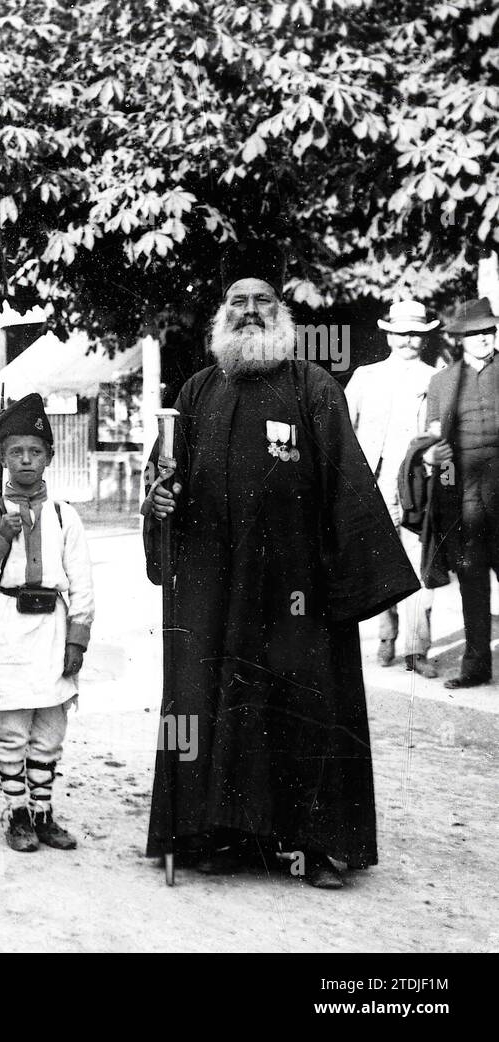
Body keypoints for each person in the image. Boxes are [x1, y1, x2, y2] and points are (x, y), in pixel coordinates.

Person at [142, 241, 419, 889]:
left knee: (307, 710)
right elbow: (166, 489)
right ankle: (215, 831)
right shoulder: (194, 392)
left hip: (301, 598)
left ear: (281, 312)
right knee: (210, 707)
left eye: (262, 300)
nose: (249, 311)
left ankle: (318, 846)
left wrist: (349, 587)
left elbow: (351, 489)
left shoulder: (314, 388)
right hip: (216, 594)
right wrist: (160, 506)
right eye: (237, 301)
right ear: (221, 313)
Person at [0, 393, 95, 854]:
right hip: (8, 627)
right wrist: (1, 536)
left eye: (35, 451)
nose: (26, 460)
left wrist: (78, 638)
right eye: (16, 452)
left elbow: (82, 582)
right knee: (12, 726)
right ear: (3, 457)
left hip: (52, 629)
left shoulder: (63, 515)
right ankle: (16, 813)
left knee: (49, 728)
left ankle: (43, 811)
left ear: (50, 457)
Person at [345, 300, 440, 678]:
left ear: (425, 337)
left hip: (418, 486)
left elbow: (441, 434)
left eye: (415, 334)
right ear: (388, 334)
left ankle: (418, 649)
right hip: (374, 484)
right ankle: (386, 636)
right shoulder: (366, 376)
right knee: (380, 561)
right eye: (401, 333)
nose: (407, 340)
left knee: (420, 564)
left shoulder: (437, 378)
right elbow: (343, 432)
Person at [421, 298, 499, 689]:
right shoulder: (442, 382)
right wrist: (432, 455)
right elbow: (430, 438)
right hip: (465, 495)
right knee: (472, 581)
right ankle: (476, 666)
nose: (483, 339)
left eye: (488, 331)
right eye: (474, 333)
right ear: (460, 338)